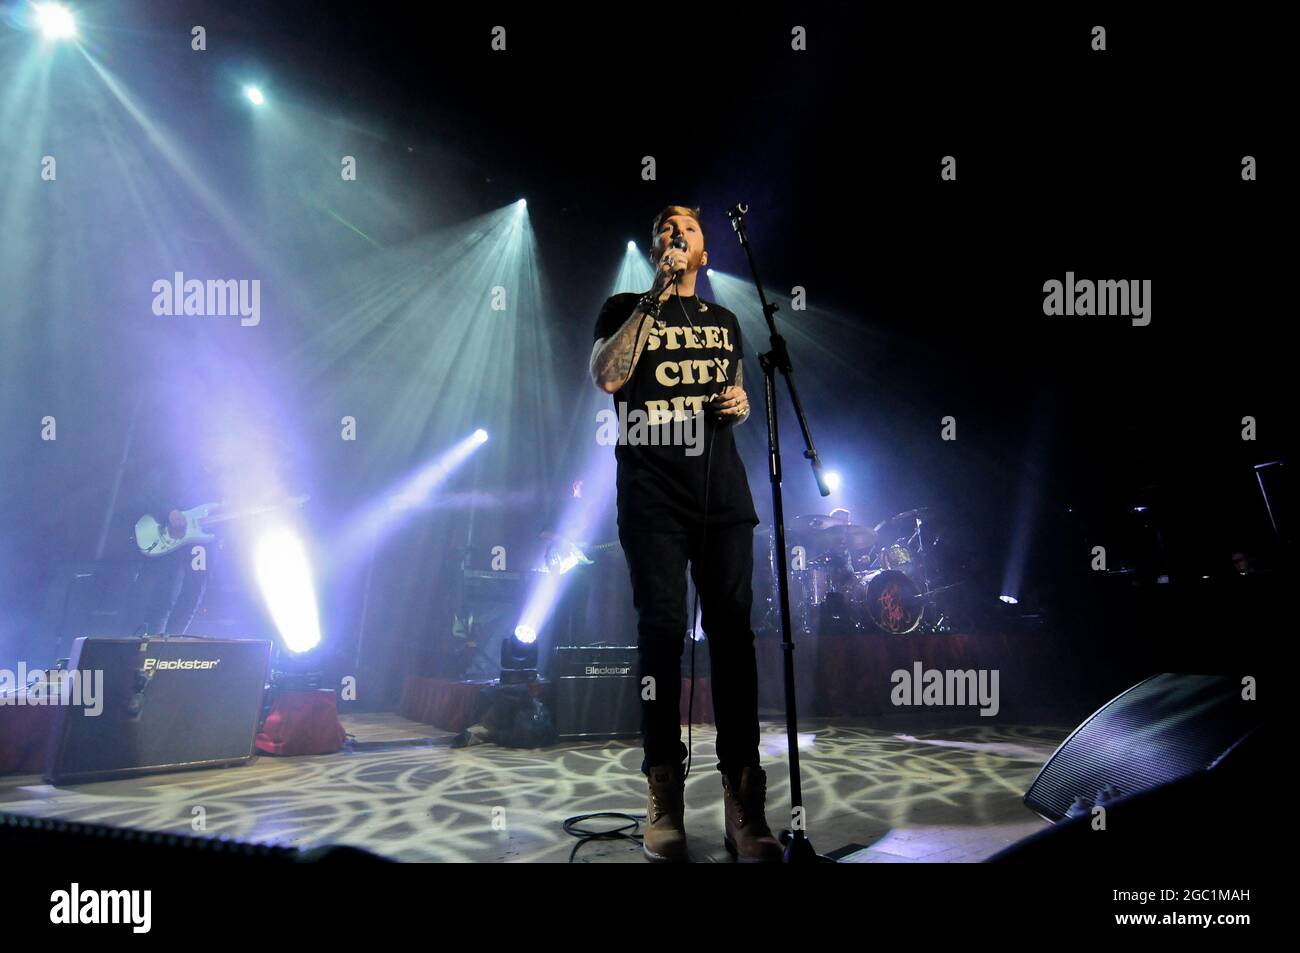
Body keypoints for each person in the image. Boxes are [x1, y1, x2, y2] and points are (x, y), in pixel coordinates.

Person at [590, 205, 781, 862]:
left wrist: (741, 402)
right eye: (666, 229)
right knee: (662, 635)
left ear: (704, 250)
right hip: (652, 497)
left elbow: (731, 397)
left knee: (733, 638)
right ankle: (663, 793)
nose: (677, 234)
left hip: (721, 495)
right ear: (654, 247)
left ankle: (742, 799)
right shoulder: (625, 305)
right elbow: (609, 376)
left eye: (689, 229)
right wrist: (653, 295)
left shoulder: (725, 322)